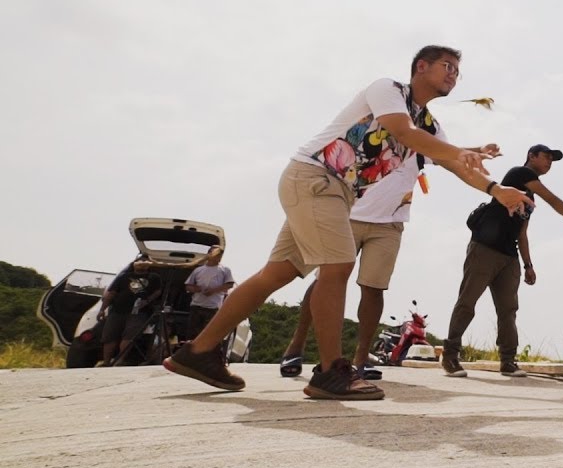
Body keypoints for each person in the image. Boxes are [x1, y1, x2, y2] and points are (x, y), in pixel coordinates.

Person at [163, 45, 532, 400]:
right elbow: (402, 133)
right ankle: (330, 372)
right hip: (315, 178)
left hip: (333, 192)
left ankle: (199, 352)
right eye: (446, 66)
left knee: (275, 275)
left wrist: (495, 189)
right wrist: (461, 153)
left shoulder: (429, 125)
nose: (454, 74)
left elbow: (452, 161)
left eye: (457, 70)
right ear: (421, 66)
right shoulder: (388, 90)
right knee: (338, 266)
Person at [278, 90, 503, 381]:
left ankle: (361, 359)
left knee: (373, 288)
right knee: (326, 281)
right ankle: (295, 345)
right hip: (348, 213)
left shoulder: (426, 133)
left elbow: (448, 154)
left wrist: (478, 156)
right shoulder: (385, 122)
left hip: (389, 223)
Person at [441, 144, 563, 378]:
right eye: (546, 157)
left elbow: (522, 233)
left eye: (553, 159)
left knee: (508, 310)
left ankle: (508, 361)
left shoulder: (528, 198)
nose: (549, 162)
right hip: (485, 248)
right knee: (467, 302)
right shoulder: (519, 174)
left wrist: (528, 265)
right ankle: (450, 356)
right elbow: (551, 198)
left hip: (509, 256)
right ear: (532, 156)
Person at [97, 256, 162, 366]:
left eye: (144, 261)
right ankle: (106, 362)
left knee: (129, 336)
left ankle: (119, 361)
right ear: (134, 264)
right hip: (117, 311)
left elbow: (158, 291)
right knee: (109, 336)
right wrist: (102, 309)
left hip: (139, 313)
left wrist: (147, 301)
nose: (141, 263)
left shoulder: (154, 277)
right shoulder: (123, 277)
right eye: (139, 261)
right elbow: (111, 293)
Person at [183, 245, 235, 351]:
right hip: (196, 306)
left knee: (211, 335)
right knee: (193, 334)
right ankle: (190, 357)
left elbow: (229, 284)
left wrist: (213, 290)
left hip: (213, 307)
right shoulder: (198, 270)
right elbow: (188, 285)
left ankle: (210, 357)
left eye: (220, 255)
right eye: (216, 254)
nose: (218, 257)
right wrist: (197, 289)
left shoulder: (224, 270)